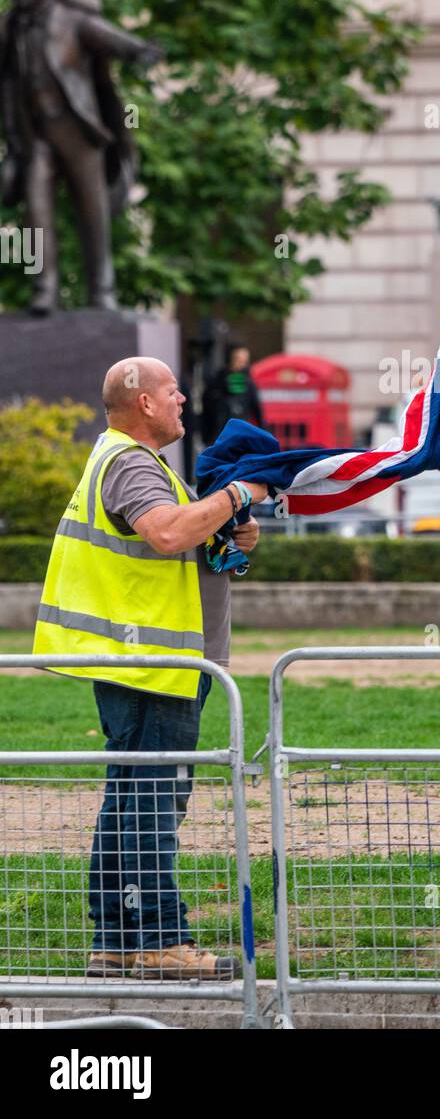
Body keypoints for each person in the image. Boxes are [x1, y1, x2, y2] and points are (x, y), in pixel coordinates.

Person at [32, 356, 268, 980]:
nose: (184, 399)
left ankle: (115, 939)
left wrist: (230, 536)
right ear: (143, 403)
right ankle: (160, 939)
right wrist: (239, 494)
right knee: (152, 804)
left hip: (147, 664)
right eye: (171, 390)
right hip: (152, 667)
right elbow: (165, 534)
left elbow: (183, 545)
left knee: (132, 800)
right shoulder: (132, 463)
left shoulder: (134, 461)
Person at [0, 0, 161, 314]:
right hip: (35, 136)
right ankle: (44, 289)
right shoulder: (10, 26)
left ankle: (102, 292)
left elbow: (115, 41)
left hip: (77, 132)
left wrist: (142, 51)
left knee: (93, 212)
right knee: (35, 215)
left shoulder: (73, 20)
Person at [201, 343, 264, 445]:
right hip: (218, 436)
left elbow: (257, 410)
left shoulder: (249, 383)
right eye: (238, 360)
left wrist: (263, 436)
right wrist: (206, 437)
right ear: (230, 359)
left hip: (240, 436)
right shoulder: (217, 381)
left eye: (245, 361)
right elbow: (207, 409)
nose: (242, 365)